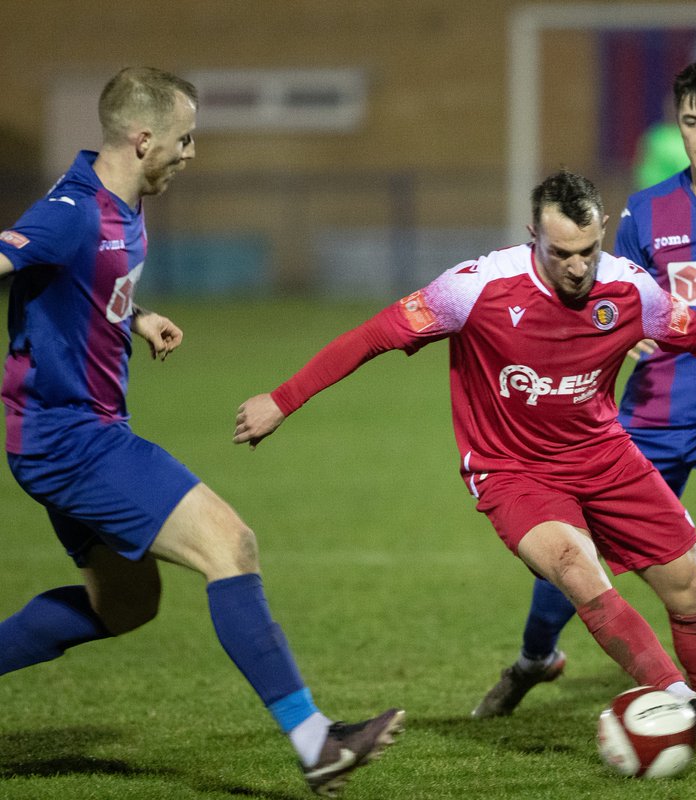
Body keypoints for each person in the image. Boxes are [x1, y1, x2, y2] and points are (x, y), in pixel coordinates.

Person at [233, 170, 696, 760]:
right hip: (512, 471)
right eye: (561, 253)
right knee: (576, 570)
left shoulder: (630, 288)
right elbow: (374, 336)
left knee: (690, 587)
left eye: (588, 250)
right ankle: (689, 707)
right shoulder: (472, 288)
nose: (578, 267)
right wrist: (283, 400)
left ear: (603, 230)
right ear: (534, 234)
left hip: (605, 456)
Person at [0, 67, 400, 798]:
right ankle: (316, 742)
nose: (191, 153)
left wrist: (135, 316)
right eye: (183, 139)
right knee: (230, 544)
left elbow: (79, 281)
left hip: (64, 435)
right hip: (70, 438)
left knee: (125, 605)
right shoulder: (71, 209)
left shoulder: (122, 204)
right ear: (142, 138)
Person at [473, 57, 696, 742]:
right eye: (692, 121)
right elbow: (608, 303)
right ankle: (534, 658)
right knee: (574, 553)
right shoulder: (646, 211)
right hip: (650, 414)